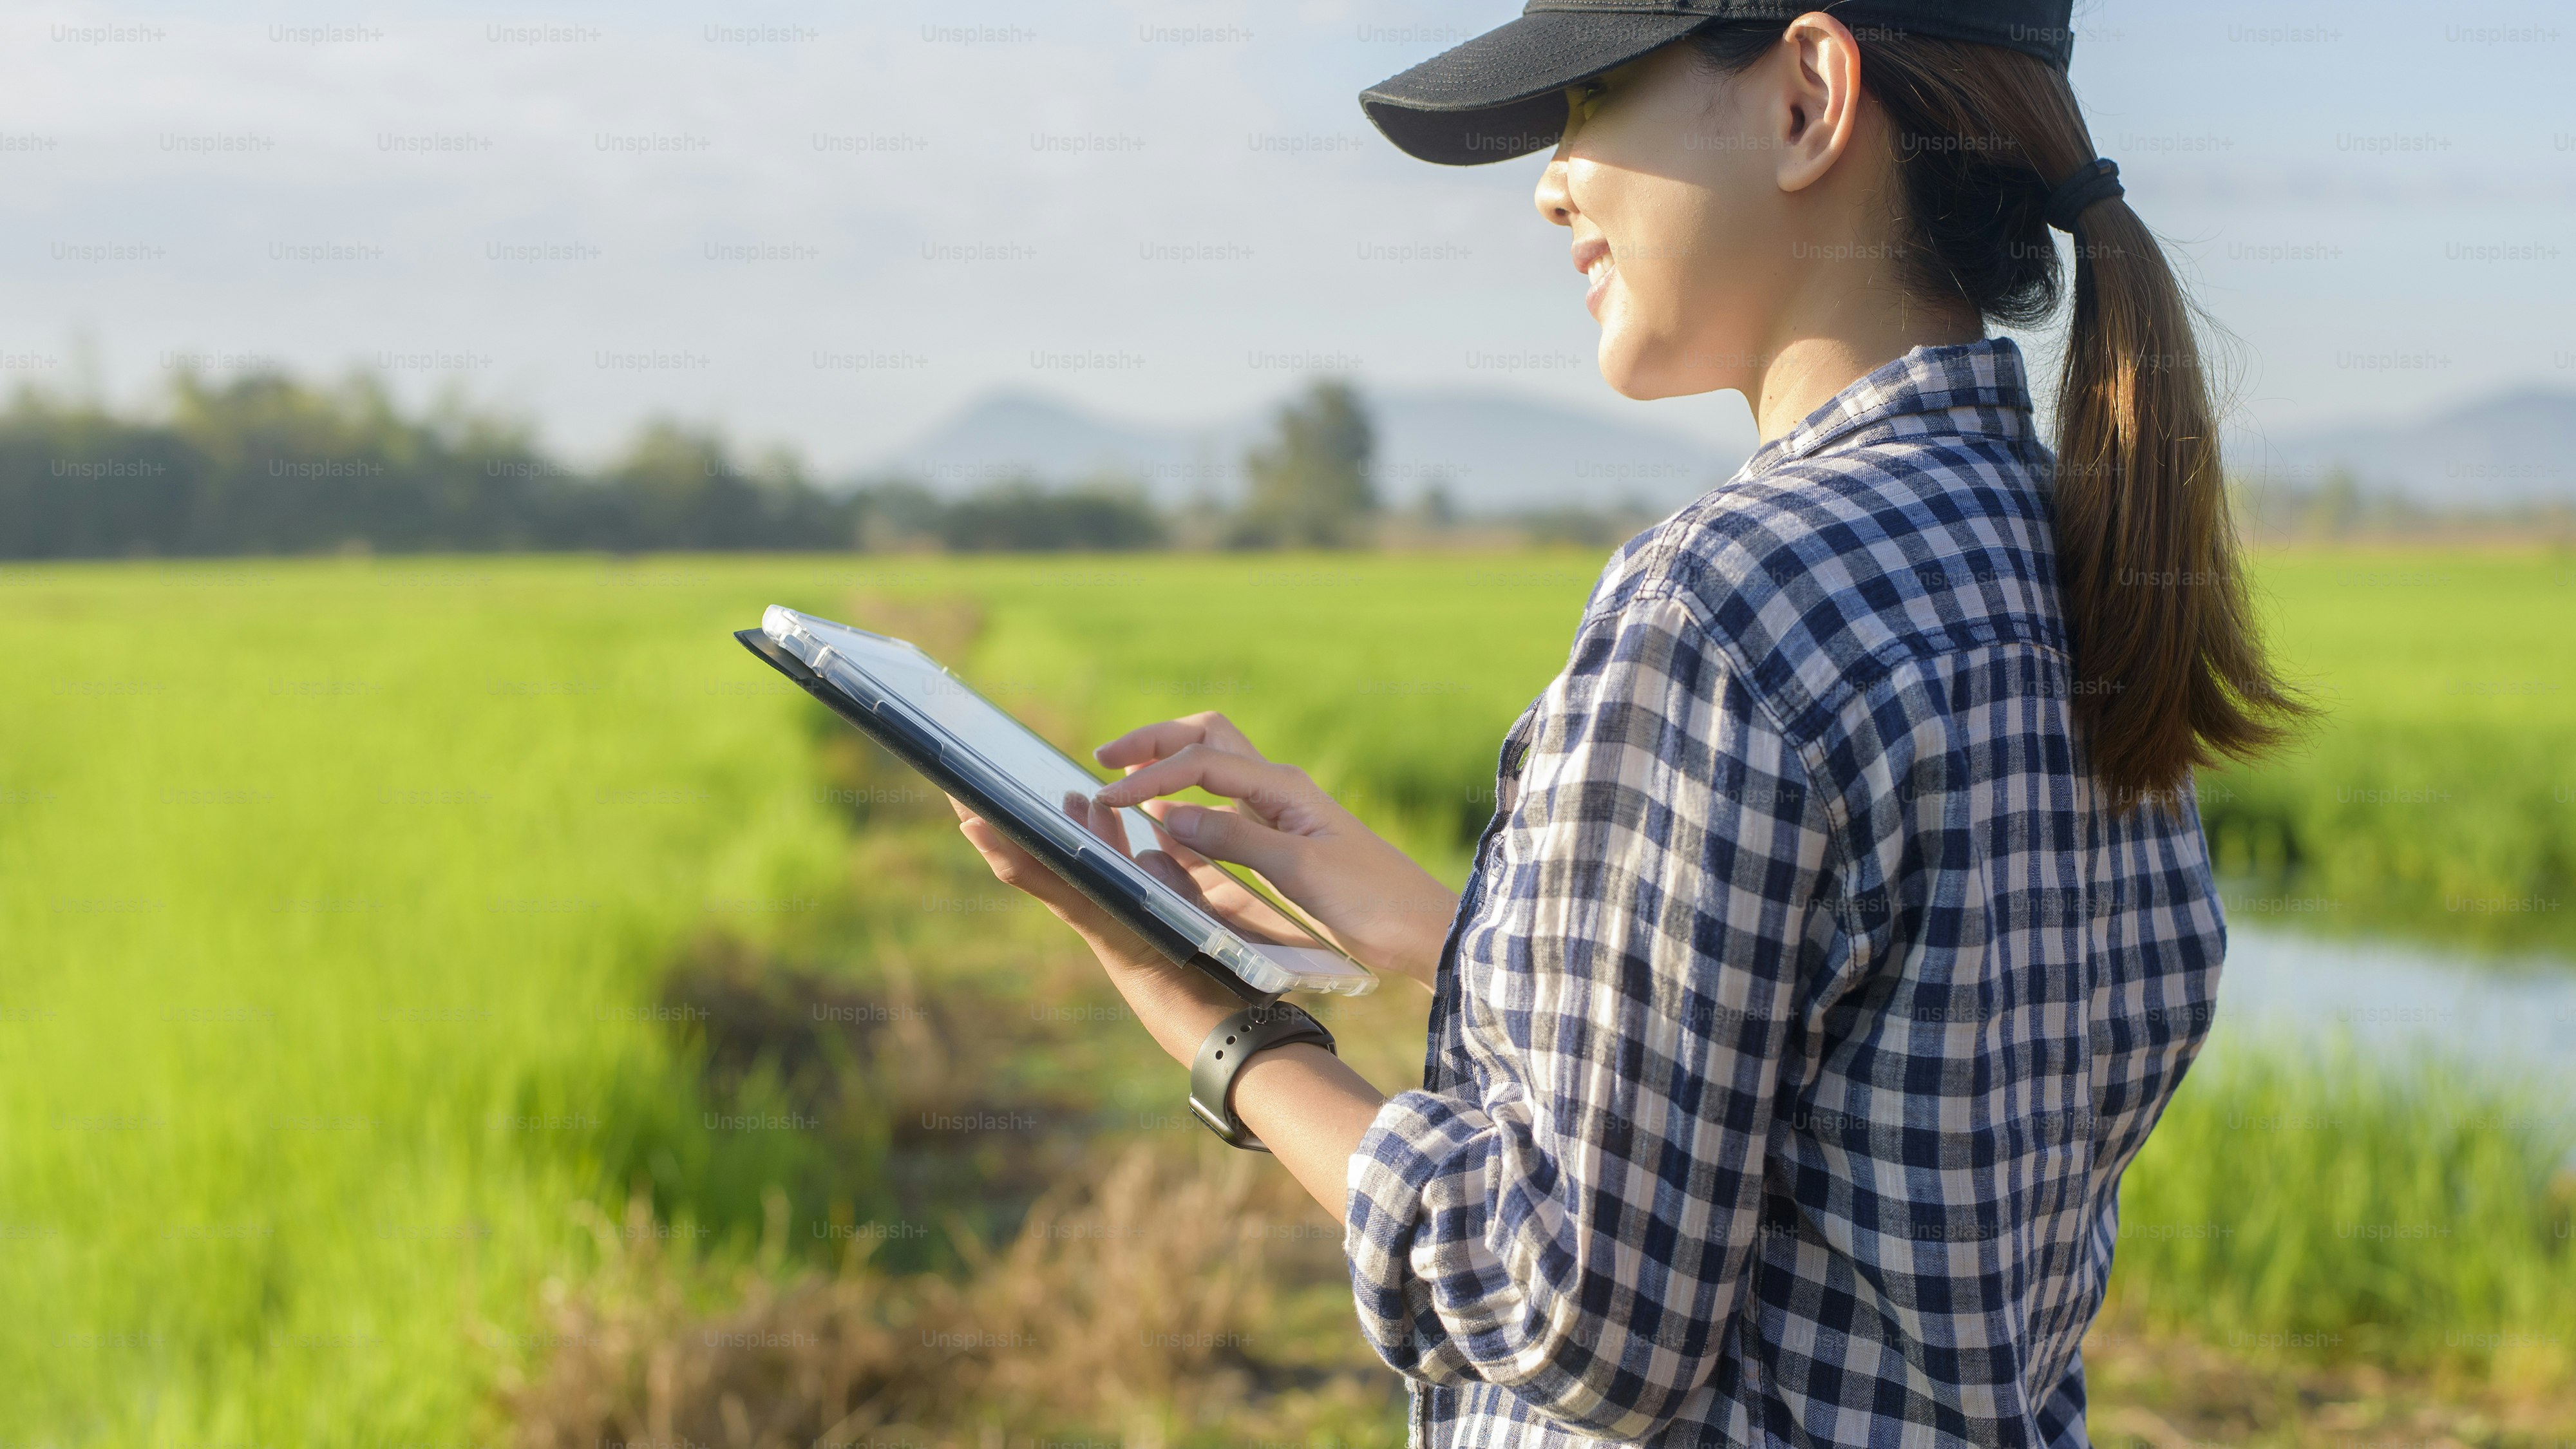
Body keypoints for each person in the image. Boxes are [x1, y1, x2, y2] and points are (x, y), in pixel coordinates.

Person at [952, 3, 2306, 1444]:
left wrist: (1212, 1020)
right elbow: (1853, 1060)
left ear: (1804, 98)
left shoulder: (1724, 602)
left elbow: (1573, 1316)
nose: (1548, 180)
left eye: (1590, 98)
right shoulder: (2057, 550)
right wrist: (1468, 932)